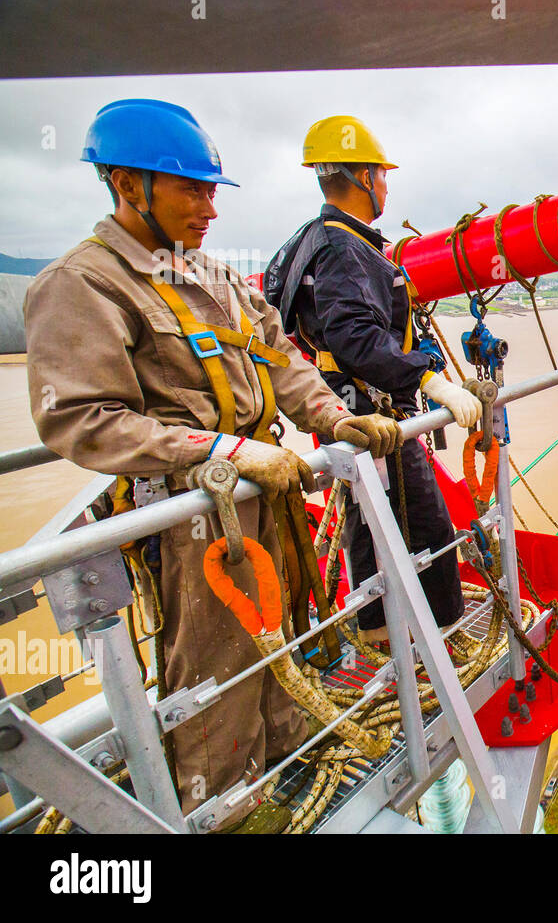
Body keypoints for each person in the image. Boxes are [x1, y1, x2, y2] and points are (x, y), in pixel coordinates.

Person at [23, 99, 400, 826]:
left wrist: (332, 417)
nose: (209, 209)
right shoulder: (84, 286)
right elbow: (82, 418)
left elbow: (280, 360)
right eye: (190, 190)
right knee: (217, 670)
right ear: (129, 185)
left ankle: (290, 754)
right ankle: (225, 806)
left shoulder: (217, 279)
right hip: (195, 513)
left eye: (211, 191)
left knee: (282, 633)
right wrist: (222, 450)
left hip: (266, 488)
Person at [264, 115, 483, 662]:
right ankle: (446, 641)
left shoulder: (317, 241)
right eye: (382, 175)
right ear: (363, 177)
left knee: (369, 519)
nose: (387, 185)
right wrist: (430, 381)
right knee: (429, 524)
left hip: (350, 411)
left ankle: (376, 633)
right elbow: (356, 336)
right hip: (373, 413)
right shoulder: (344, 250)